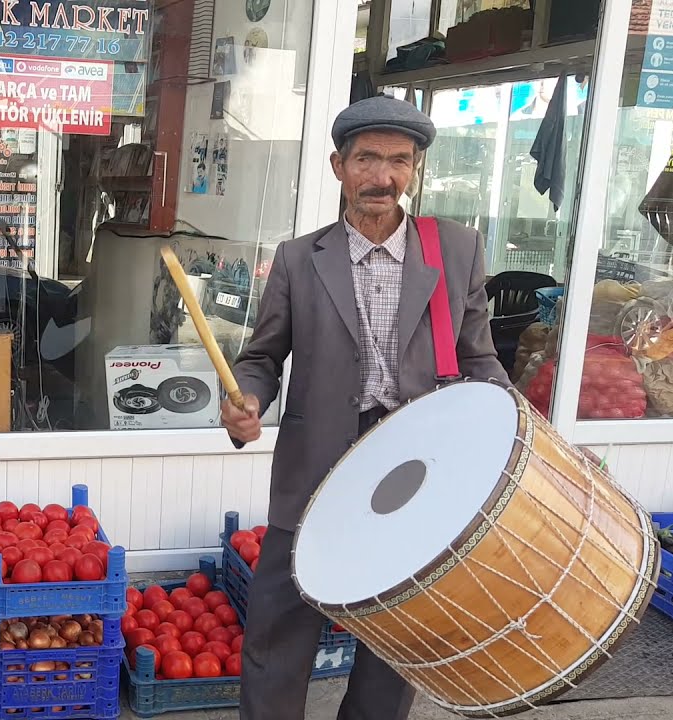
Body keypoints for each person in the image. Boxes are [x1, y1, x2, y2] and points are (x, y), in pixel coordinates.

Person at [221, 94, 509, 719]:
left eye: (400, 161)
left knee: (398, 631)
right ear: (338, 166)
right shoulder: (300, 259)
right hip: (317, 461)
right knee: (278, 625)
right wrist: (245, 400)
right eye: (368, 159)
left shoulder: (453, 250)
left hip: (417, 462)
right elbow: (262, 357)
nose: (383, 177)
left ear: (416, 170)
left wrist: (518, 432)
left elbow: (478, 359)